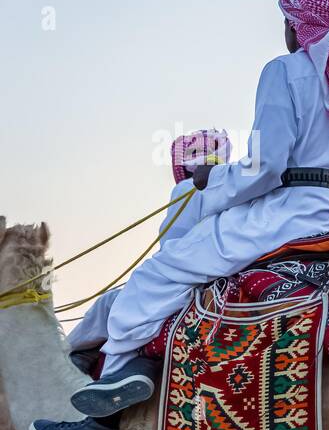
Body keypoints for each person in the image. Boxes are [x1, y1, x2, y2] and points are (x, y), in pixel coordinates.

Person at [32, 0, 329, 430]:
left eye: (285, 20)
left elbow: (265, 167)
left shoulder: (283, 71)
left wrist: (211, 183)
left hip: (289, 217)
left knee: (164, 269)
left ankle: (112, 397)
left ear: (294, 26)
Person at [64, 129, 229, 371]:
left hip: (188, 276)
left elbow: (172, 244)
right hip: (228, 268)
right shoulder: (236, 190)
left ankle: (76, 358)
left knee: (111, 302)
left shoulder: (185, 190)